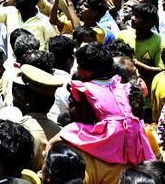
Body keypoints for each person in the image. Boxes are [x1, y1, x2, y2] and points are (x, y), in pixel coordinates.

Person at [55, 44, 155, 184]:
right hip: (134, 133)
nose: (78, 71)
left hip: (111, 135)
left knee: (65, 133)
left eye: (79, 67)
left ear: (88, 71)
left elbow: (85, 119)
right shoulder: (120, 85)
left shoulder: (85, 88)